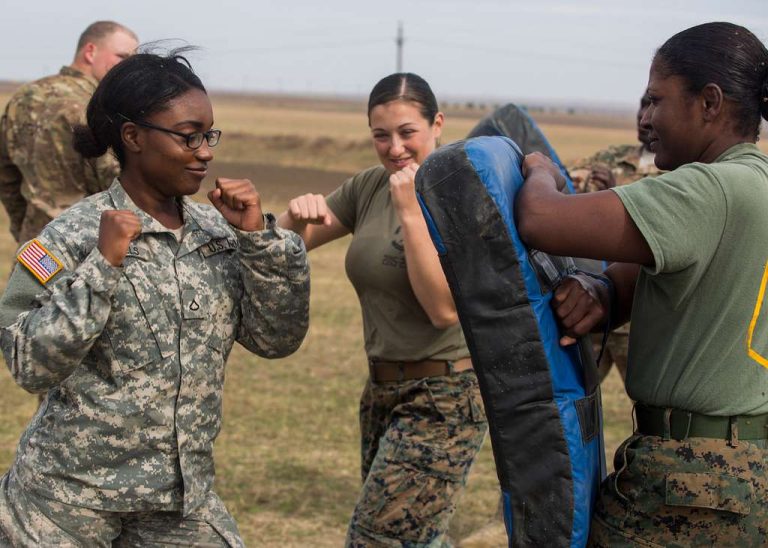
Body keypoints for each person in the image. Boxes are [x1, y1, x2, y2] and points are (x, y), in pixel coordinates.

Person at [0, 50, 310, 546]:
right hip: (67, 502)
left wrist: (260, 242)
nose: (205, 151)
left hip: (177, 501)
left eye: (209, 135)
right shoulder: (70, 237)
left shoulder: (219, 232)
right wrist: (102, 268)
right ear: (134, 137)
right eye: (189, 136)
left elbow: (277, 339)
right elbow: (28, 364)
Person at [515, 22, 768, 546]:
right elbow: (665, 272)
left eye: (656, 99)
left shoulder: (708, 189)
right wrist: (605, 293)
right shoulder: (754, 182)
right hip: (744, 467)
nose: (645, 118)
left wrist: (543, 172)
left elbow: (541, 219)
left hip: (689, 480)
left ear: (710, 102)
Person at [277, 73, 487, 546]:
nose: (394, 148)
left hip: (444, 397)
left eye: (407, 132)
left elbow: (443, 309)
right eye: (380, 135)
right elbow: (291, 242)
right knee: (418, 539)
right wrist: (289, 216)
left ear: (437, 125)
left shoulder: (465, 195)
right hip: (381, 392)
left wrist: (411, 211)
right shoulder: (371, 186)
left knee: (379, 540)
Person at [0, 20, 138, 246]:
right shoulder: (96, 107)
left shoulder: (23, 97)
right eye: (122, 57)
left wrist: (23, 229)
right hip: (88, 246)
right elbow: (117, 182)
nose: (127, 69)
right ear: (90, 52)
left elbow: (6, 176)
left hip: (35, 244)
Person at [569, 95, 662, 383]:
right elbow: (567, 181)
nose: (643, 116)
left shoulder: (678, 171)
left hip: (640, 316)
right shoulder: (611, 158)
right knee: (578, 389)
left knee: (646, 398)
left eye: (653, 107)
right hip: (595, 301)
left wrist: (612, 194)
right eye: (640, 106)